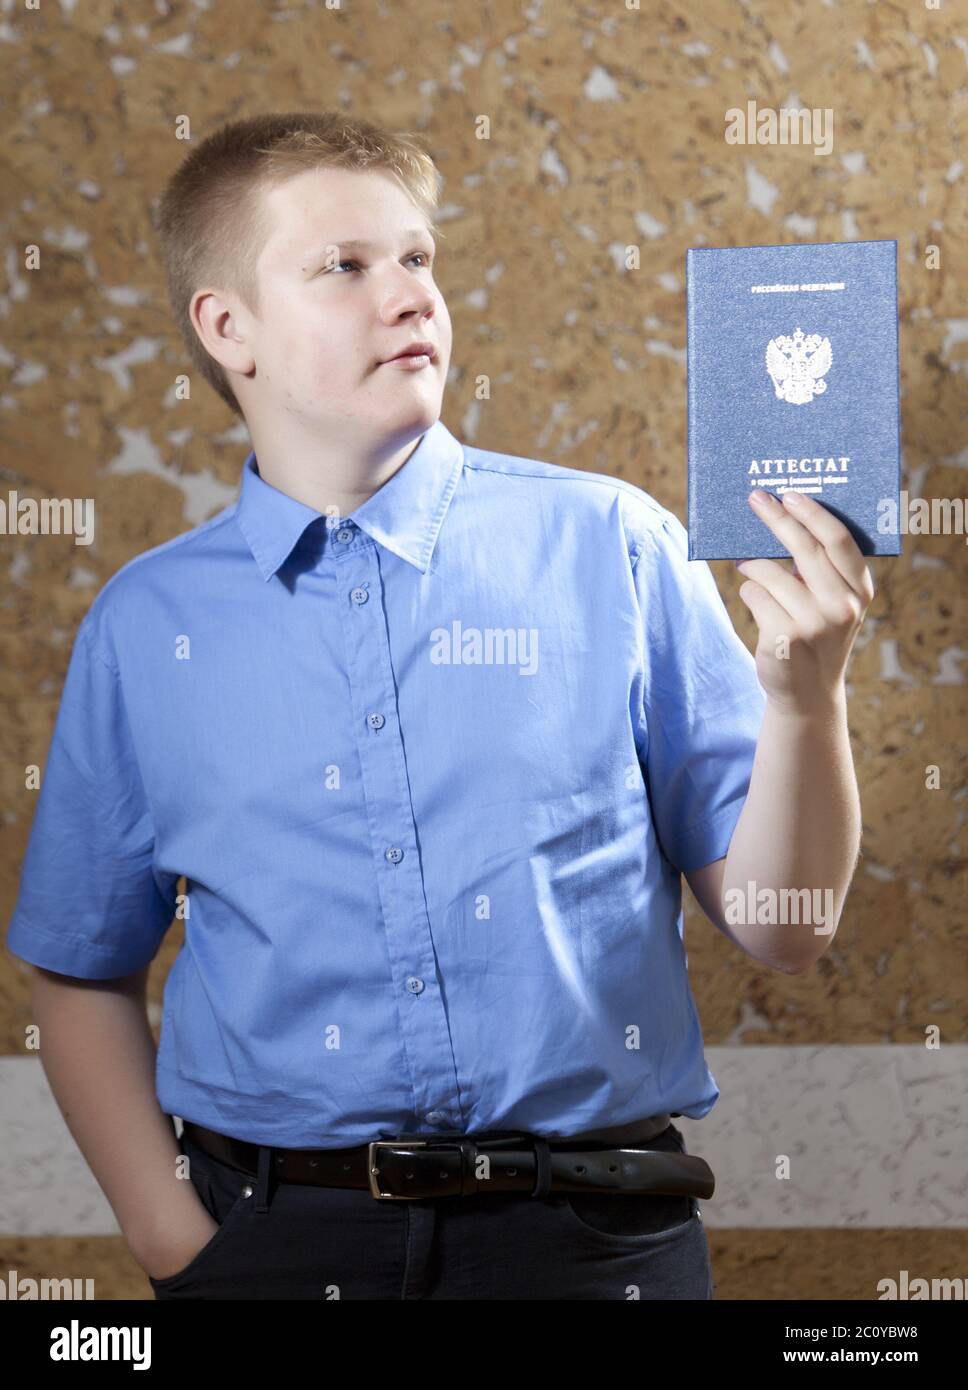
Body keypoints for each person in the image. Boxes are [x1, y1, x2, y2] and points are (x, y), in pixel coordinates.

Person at [5, 111, 869, 1301]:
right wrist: (172, 1235)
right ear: (227, 327)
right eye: (343, 267)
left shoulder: (614, 545)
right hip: (272, 1249)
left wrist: (804, 699)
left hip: (589, 1247)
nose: (408, 295)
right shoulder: (144, 627)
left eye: (418, 258)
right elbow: (79, 965)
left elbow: (785, 927)